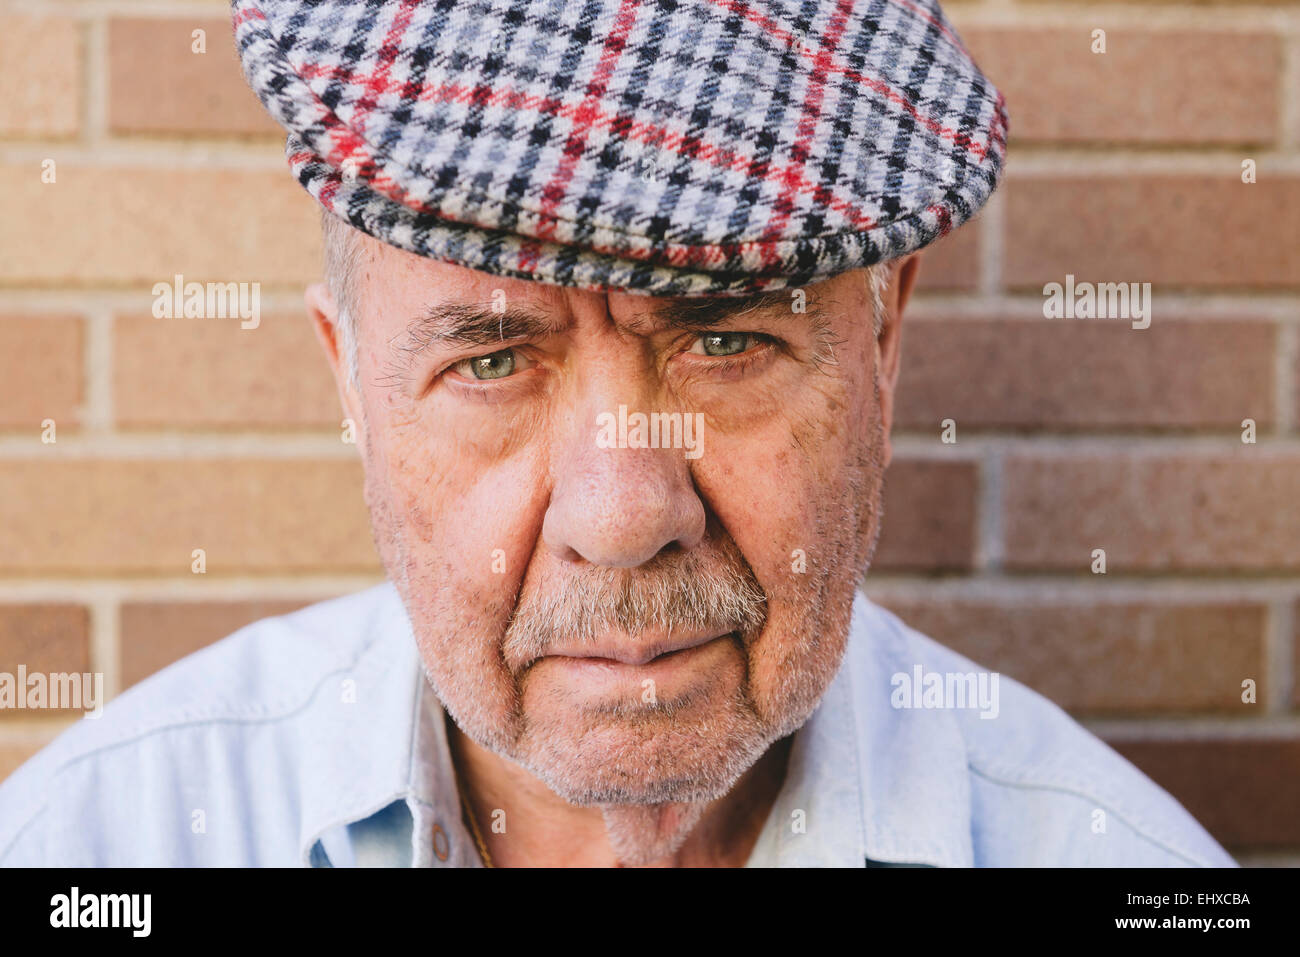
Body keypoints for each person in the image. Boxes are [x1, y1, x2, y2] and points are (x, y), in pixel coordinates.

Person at [0, 0, 1233, 867]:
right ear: (352, 385)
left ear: (884, 344)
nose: (625, 516)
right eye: (491, 360)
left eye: (726, 341)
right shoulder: (100, 844)